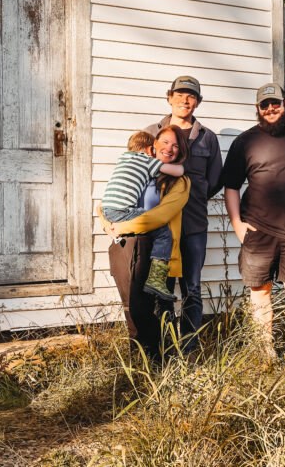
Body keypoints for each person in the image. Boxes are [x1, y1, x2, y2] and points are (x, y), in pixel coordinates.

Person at [221, 83, 285, 373]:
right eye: (265, 105)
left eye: (276, 103)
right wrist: (237, 223)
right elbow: (232, 186)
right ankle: (265, 354)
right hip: (257, 231)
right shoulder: (245, 142)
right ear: (257, 109)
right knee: (260, 294)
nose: (271, 109)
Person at [143, 75, 223, 352]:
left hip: (193, 224)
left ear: (197, 102)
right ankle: (165, 346)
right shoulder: (152, 132)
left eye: (191, 96)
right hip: (160, 227)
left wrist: (191, 197)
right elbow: (138, 171)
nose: (185, 100)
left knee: (192, 287)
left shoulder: (207, 138)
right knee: (162, 287)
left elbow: (215, 180)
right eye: (179, 95)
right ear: (169, 98)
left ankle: (189, 348)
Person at [102, 126, 191, 362]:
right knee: (132, 307)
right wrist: (105, 222)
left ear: (181, 150)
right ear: (154, 145)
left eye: (176, 145)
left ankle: (165, 363)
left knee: (158, 309)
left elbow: (157, 218)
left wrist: (118, 227)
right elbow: (106, 202)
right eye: (165, 142)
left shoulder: (180, 181)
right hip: (126, 247)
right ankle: (139, 361)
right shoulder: (141, 169)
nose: (169, 149)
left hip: (159, 253)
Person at [98, 130, 185, 301]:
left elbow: (102, 206)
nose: (167, 148)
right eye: (162, 144)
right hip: (127, 229)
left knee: (139, 301)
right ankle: (156, 280)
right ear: (149, 149)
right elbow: (179, 171)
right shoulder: (147, 161)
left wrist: (112, 225)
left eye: (174, 145)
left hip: (112, 211)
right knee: (163, 231)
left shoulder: (123, 159)